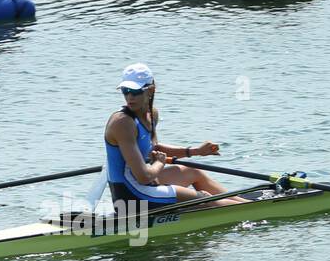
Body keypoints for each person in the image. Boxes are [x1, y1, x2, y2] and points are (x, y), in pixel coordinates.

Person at [103, 63, 246, 211]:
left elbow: (154, 148)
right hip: (131, 197)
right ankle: (247, 210)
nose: (129, 97)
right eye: (125, 91)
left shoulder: (151, 114)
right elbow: (144, 176)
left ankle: (244, 202)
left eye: (135, 91)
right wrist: (159, 163)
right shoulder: (122, 123)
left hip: (145, 183)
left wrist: (195, 151)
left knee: (193, 173)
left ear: (150, 90)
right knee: (203, 198)